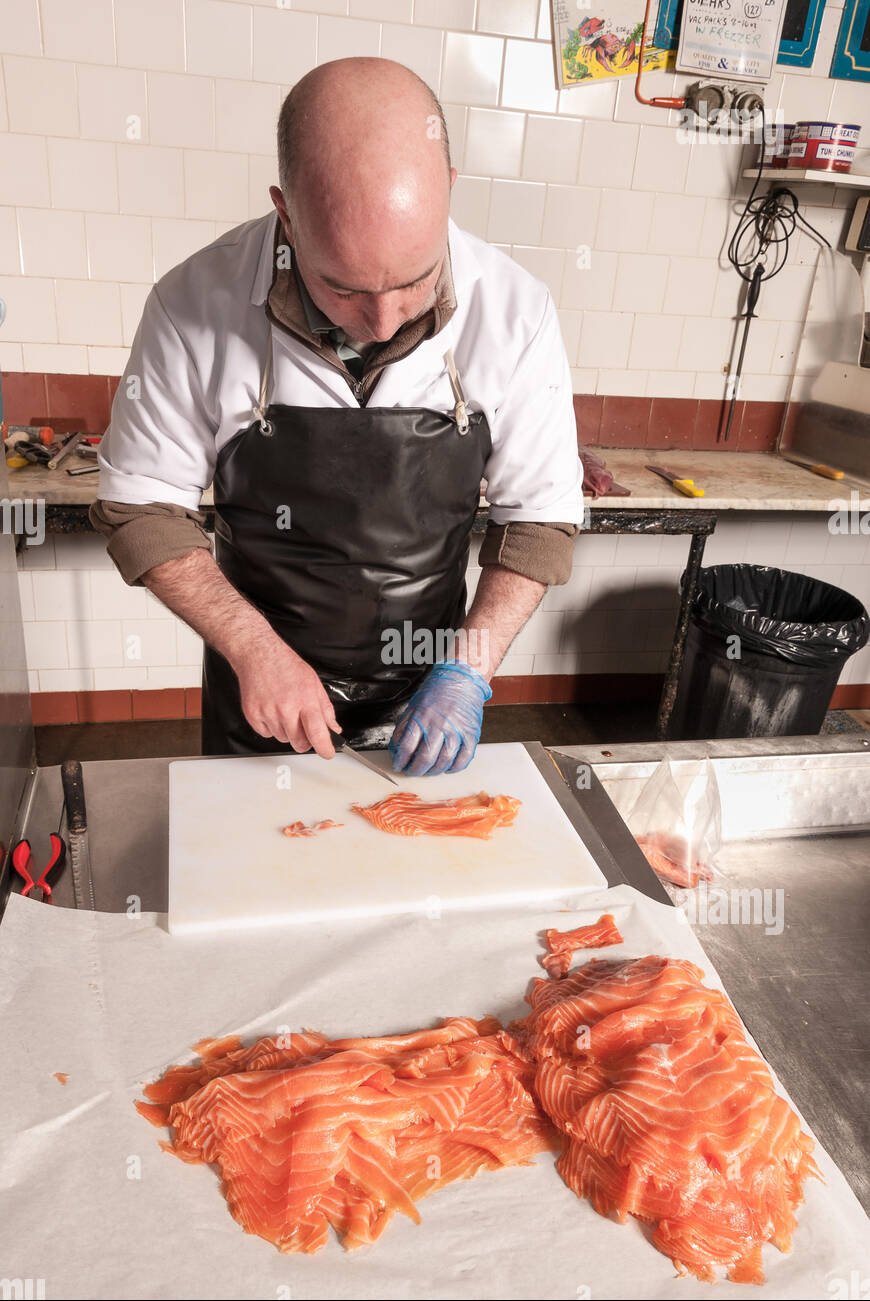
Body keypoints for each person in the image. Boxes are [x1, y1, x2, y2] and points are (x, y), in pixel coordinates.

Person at [90, 58, 583, 775]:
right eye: (344, 287)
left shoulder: (517, 312)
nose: (383, 320)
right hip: (261, 688)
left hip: (428, 692)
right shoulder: (192, 304)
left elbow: (538, 524)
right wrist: (255, 651)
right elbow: (142, 508)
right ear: (286, 213)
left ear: (448, 190)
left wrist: (467, 673)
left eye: (414, 281)